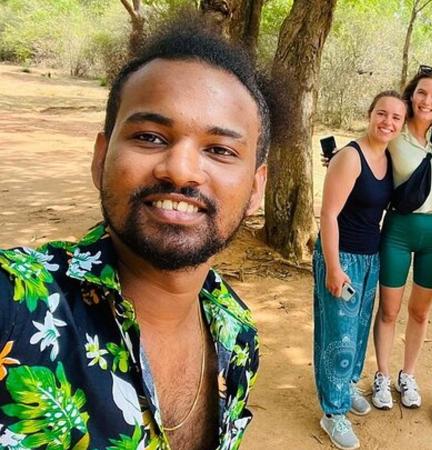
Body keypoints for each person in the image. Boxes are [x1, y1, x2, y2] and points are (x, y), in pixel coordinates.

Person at [0, 24, 268, 450]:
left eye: (219, 150)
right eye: (149, 137)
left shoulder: (238, 334)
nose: (180, 170)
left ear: (255, 188)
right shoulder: (17, 304)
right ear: (101, 158)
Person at [313, 90, 405, 450]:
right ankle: (332, 412)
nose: (387, 122)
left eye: (396, 117)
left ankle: (347, 383)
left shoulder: (389, 158)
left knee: (359, 330)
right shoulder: (351, 157)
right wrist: (334, 267)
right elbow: (328, 215)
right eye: (382, 113)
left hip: (370, 257)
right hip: (342, 256)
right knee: (338, 335)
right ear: (370, 114)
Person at [371, 65, 432, 411]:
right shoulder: (395, 131)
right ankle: (382, 374)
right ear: (411, 95)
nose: (427, 101)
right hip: (399, 230)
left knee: (420, 312)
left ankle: (407, 375)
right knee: (389, 310)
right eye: (422, 92)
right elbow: (368, 152)